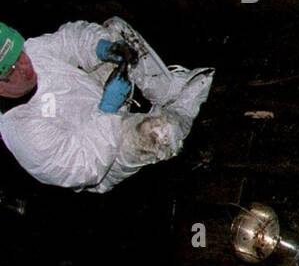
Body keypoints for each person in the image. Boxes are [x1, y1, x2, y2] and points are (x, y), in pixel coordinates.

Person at [0, 17, 212, 193]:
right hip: (103, 154)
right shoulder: (23, 132)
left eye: (20, 54)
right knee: (159, 133)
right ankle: (180, 112)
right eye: (11, 71)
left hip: (100, 95)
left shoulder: (31, 53)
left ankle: (165, 89)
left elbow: (72, 39)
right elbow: (84, 166)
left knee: (116, 32)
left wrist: (100, 48)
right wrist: (107, 110)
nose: (25, 67)